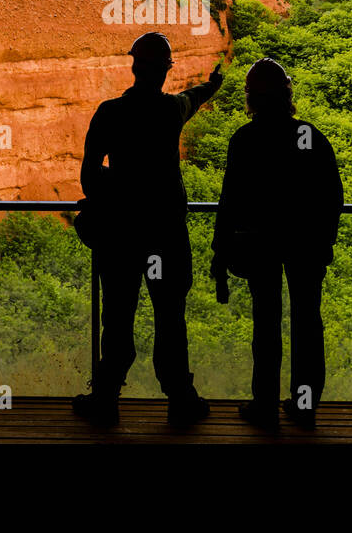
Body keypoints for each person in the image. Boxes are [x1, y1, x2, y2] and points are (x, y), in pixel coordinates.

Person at [72, 31, 222, 427]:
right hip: (166, 234)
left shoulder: (109, 113)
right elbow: (195, 97)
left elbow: (89, 178)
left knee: (118, 316)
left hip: (121, 235)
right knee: (171, 316)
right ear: (164, 72)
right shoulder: (171, 111)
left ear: (135, 67)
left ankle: (105, 399)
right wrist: (213, 84)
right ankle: (180, 399)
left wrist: (116, 188)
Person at [212, 58, 343, 430]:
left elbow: (230, 201)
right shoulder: (307, 135)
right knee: (306, 325)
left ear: (251, 99)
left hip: (260, 243)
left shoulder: (245, 139)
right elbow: (332, 195)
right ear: (288, 94)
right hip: (304, 244)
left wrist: (220, 253)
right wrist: (324, 240)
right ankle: (303, 406)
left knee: (266, 324)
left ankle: (266, 405)